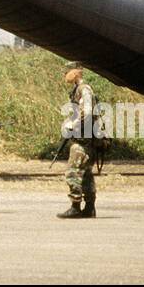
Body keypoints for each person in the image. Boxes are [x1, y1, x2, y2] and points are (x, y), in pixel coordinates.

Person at [58, 66, 100, 219]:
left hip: (83, 140)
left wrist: (73, 125)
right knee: (86, 174)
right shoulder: (78, 89)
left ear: (75, 72)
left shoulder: (84, 89)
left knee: (72, 171)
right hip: (85, 138)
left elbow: (87, 113)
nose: (64, 75)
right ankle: (90, 208)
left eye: (67, 72)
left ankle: (75, 206)